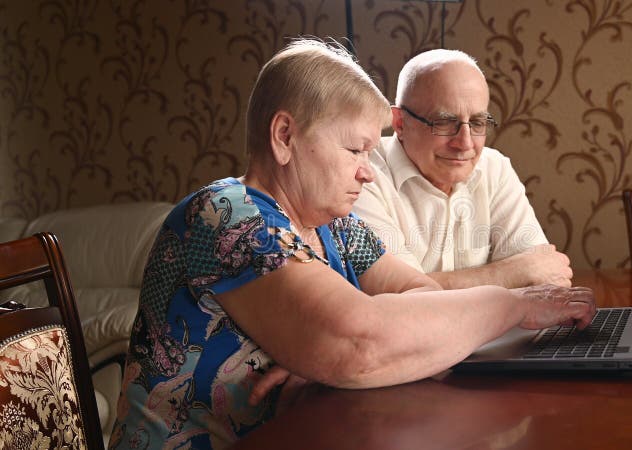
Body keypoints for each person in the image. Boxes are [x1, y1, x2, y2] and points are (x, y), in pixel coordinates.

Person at [108, 39, 595, 449]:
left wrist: (329, 365)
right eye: (355, 149)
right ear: (284, 137)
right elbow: (360, 340)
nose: (368, 168)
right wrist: (512, 305)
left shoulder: (332, 227)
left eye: (370, 149)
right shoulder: (228, 214)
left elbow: (423, 301)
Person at [352, 49, 572, 290]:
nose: (465, 144)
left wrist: (527, 273)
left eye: (477, 123)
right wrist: (514, 272)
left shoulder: (493, 168)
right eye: (445, 122)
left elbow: (543, 281)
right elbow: (399, 295)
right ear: (400, 123)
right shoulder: (360, 175)